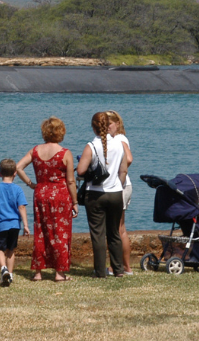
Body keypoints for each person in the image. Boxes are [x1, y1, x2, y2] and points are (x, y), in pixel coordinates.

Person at [16, 117, 78, 282]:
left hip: (41, 193)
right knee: (60, 233)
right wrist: (75, 202)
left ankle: (38, 272)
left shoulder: (35, 151)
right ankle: (59, 272)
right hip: (60, 195)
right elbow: (71, 181)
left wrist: (31, 184)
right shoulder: (65, 153)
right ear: (61, 132)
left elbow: (18, 167)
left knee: (41, 232)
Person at [76, 112, 128, 278]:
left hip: (95, 194)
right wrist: (117, 183)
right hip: (115, 193)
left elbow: (81, 170)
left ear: (93, 127)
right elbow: (123, 169)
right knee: (114, 233)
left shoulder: (91, 146)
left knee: (98, 234)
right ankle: (118, 269)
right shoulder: (120, 144)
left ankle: (100, 271)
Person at [0, 158, 30, 286]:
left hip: (1, 223)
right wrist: (26, 225)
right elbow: (21, 207)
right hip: (15, 224)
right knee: (11, 249)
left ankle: (3, 268)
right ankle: (9, 275)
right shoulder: (18, 189)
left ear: (0, 174)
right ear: (15, 173)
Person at [106, 110, 134, 275]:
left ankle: (121, 266)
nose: (107, 127)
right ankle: (123, 266)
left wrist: (116, 173)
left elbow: (129, 159)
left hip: (121, 186)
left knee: (117, 229)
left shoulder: (119, 138)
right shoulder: (117, 139)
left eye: (109, 124)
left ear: (117, 124)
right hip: (122, 185)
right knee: (119, 228)